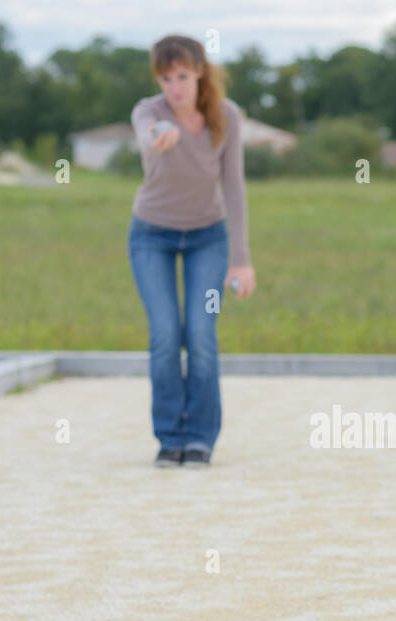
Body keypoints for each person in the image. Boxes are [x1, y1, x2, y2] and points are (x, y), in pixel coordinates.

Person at [127, 35, 256, 468]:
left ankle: (200, 438)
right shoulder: (149, 112)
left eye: (182, 76)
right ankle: (170, 438)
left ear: (200, 70)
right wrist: (160, 134)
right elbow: (147, 134)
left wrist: (241, 259)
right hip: (151, 237)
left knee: (201, 335)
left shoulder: (227, 116)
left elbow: (234, 188)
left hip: (208, 239)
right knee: (165, 335)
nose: (175, 88)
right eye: (166, 79)